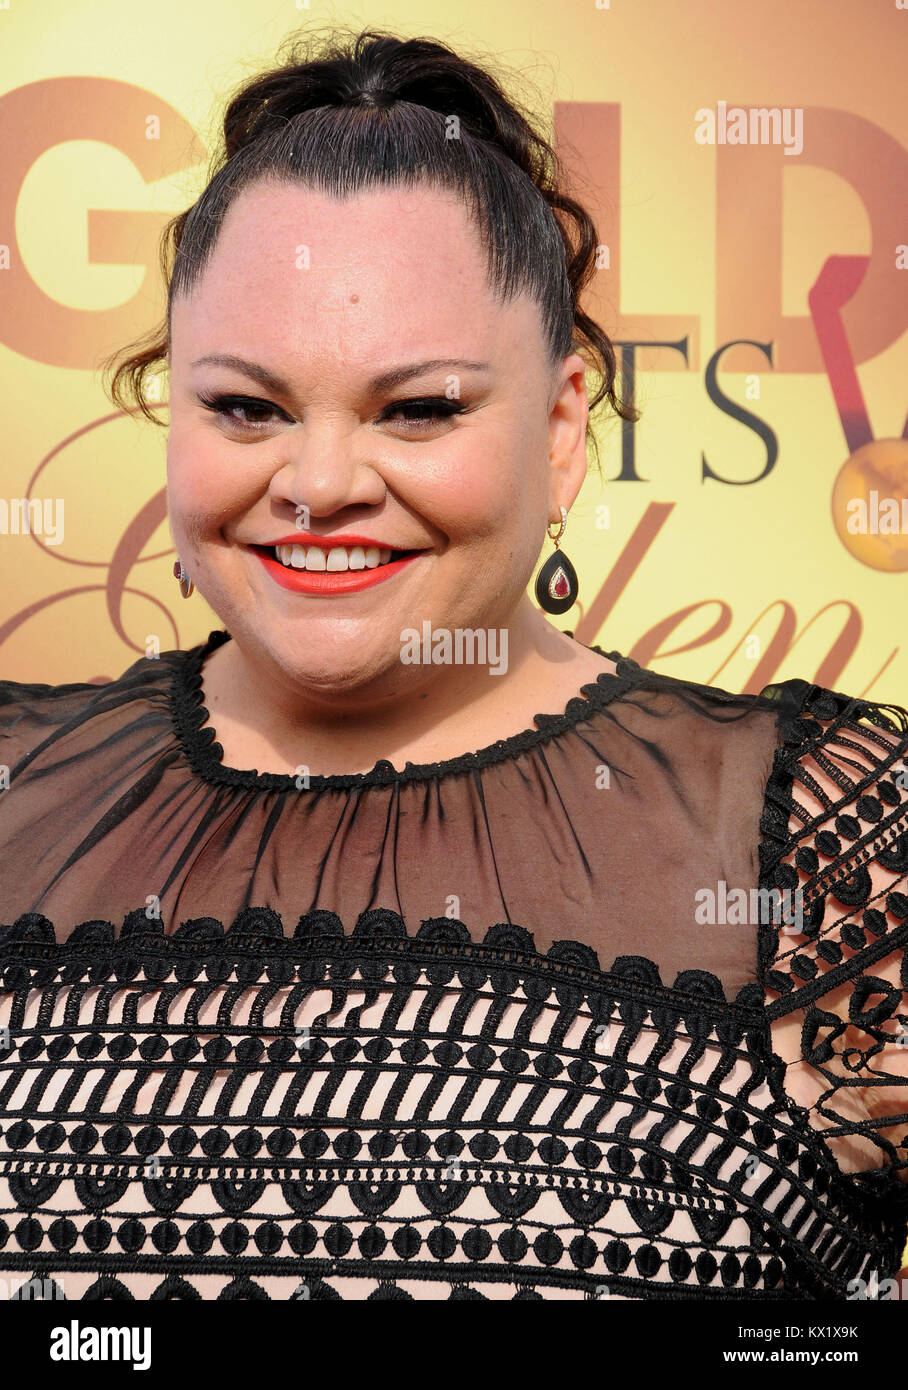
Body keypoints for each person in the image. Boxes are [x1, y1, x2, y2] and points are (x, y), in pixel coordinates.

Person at [0, 26, 907, 1302]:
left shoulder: (826, 843)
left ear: (559, 425)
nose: (316, 485)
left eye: (418, 407)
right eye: (245, 406)